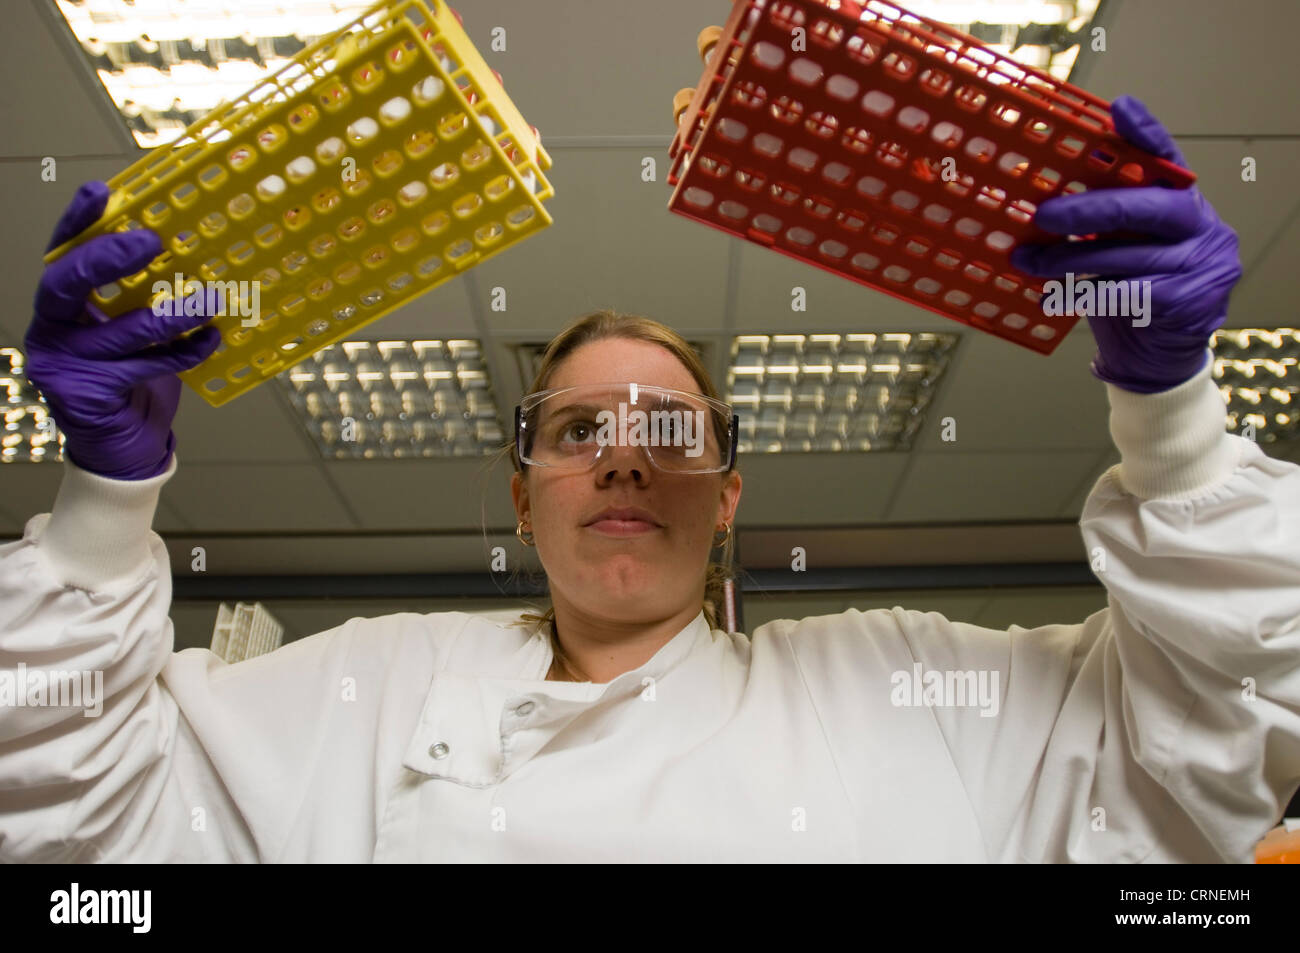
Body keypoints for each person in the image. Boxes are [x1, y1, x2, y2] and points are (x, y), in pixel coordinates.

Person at [1, 97, 1297, 863]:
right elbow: (79, 817)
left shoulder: (901, 686)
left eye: (670, 430)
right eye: (576, 431)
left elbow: (1213, 741)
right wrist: (104, 498)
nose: (625, 453)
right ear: (523, 496)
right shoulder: (371, 688)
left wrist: (1174, 417)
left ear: (729, 493)